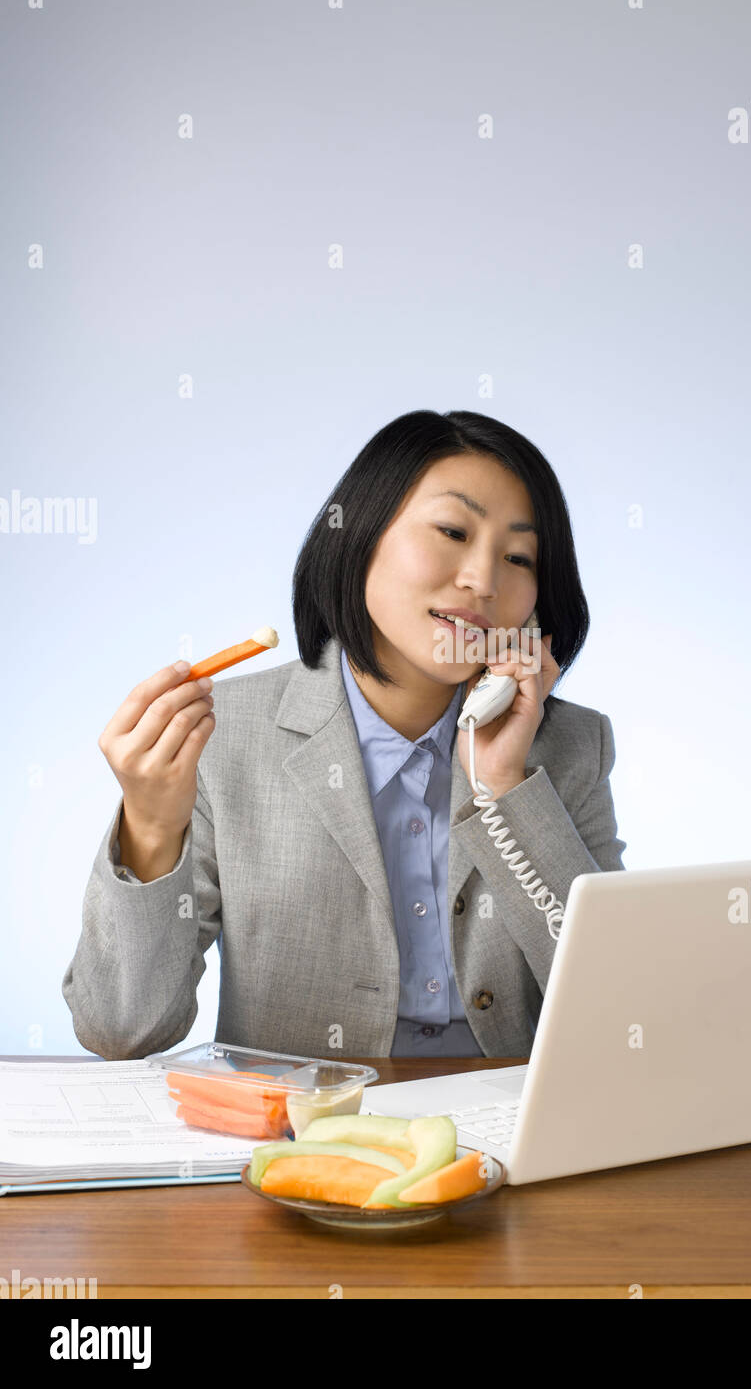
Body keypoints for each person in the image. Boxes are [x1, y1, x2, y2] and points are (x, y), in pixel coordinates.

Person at [62, 409, 627, 1060]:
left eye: (518, 556)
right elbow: (120, 1029)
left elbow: (612, 1006)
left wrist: (504, 787)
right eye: (451, 530)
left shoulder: (573, 745)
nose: (482, 579)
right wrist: (152, 826)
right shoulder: (228, 734)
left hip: (513, 1140)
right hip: (304, 1139)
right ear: (359, 535)